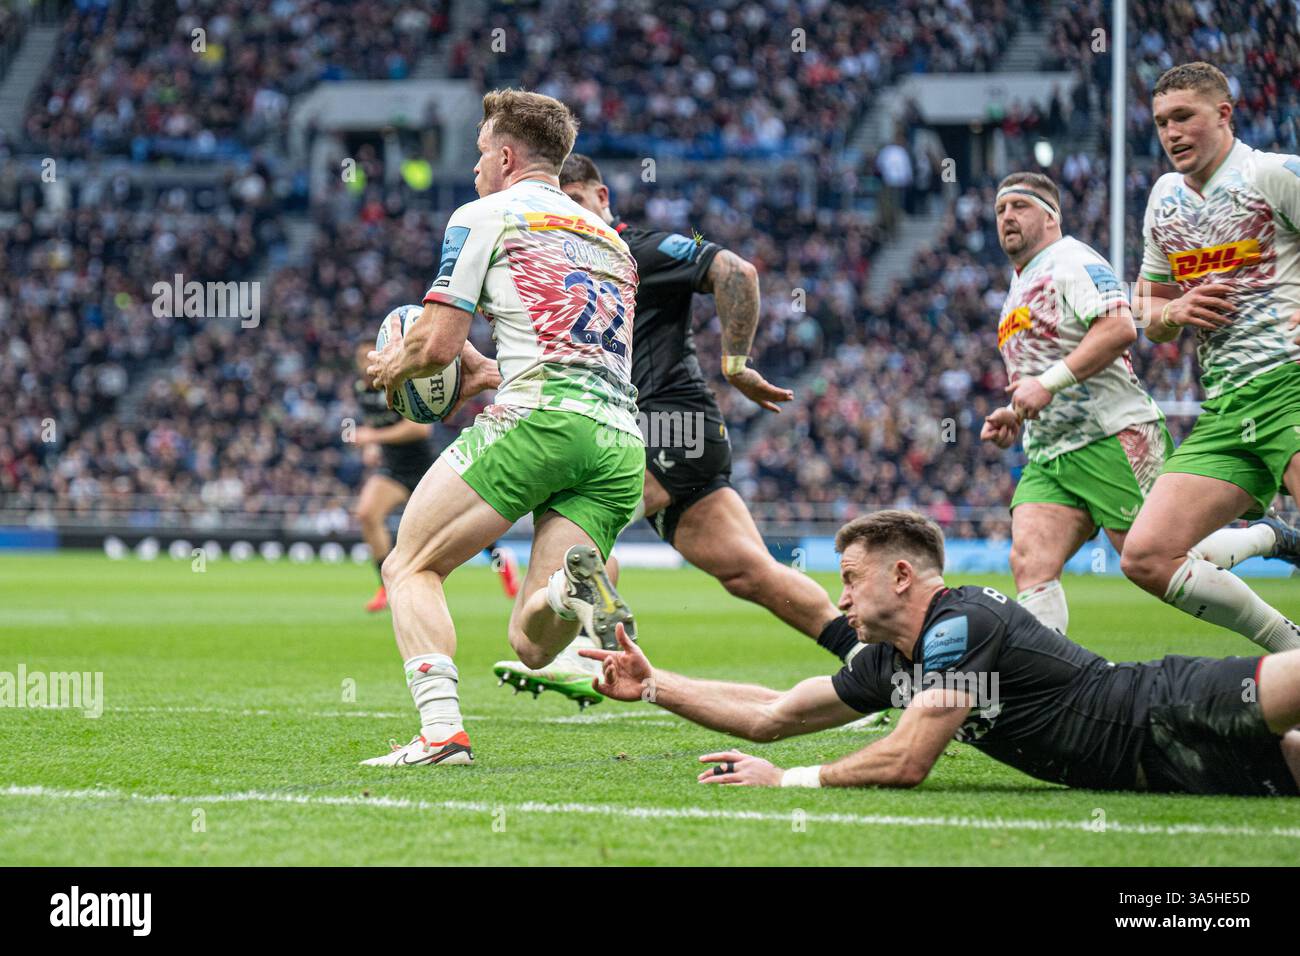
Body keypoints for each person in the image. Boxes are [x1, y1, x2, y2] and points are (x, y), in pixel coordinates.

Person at [491, 153, 862, 707]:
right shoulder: (570, 277)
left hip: (669, 424)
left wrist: (736, 362)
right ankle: (870, 659)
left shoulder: (632, 249)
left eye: (575, 202)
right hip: (666, 436)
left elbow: (736, 270)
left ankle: (573, 656)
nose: (568, 216)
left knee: (582, 517)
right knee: (751, 573)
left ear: (602, 198)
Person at [584, 510, 1300, 796]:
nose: (839, 602)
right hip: (1163, 772)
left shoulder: (961, 620)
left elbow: (907, 760)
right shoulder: (888, 660)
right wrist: (656, 686)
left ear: (902, 575)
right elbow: (774, 715)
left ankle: (1276, 534)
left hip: (1164, 708)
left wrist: (791, 783)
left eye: (850, 581)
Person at [361, 89, 644, 766]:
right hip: (619, 439)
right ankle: (569, 587)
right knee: (532, 641)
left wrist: (390, 371)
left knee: (410, 563)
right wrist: (484, 372)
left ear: (508, 155)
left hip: (542, 419)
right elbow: (554, 346)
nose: (477, 166)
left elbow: (435, 344)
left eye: (482, 151)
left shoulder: (486, 214)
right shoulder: (609, 242)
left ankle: (440, 734)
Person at [979, 172, 1299, 634]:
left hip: (1110, 434)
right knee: (1030, 562)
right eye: (1000, 210)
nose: (1007, 217)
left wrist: (1047, 384)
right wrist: (1015, 413)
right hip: (1049, 453)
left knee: (1158, 556)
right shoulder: (1016, 289)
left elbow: (1120, 327)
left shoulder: (1069, 260)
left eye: (1019, 206)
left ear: (1051, 218)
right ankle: (1045, 693)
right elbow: (1036, 373)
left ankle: (1276, 594)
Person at [1126, 61, 1300, 653]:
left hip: (1291, 384)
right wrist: (1172, 313)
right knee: (1146, 556)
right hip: (1226, 407)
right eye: (1160, 122)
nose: (1171, 132)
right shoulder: (1164, 201)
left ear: (1223, 114)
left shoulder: (1273, 175)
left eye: (1184, 117)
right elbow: (1146, 311)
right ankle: (1290, 651)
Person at [350, 341, 520, 612]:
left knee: (463, 525)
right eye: (360, 357)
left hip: (425, 467)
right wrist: (372, 446)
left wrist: (372, 437)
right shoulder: (360, 389)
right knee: (366, 513)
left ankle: (502, 561)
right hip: (393, 469)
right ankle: (386, 584)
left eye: (369, 355)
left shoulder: (402, 378)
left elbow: (419, 430)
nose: (365, 363)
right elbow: (374, 423)